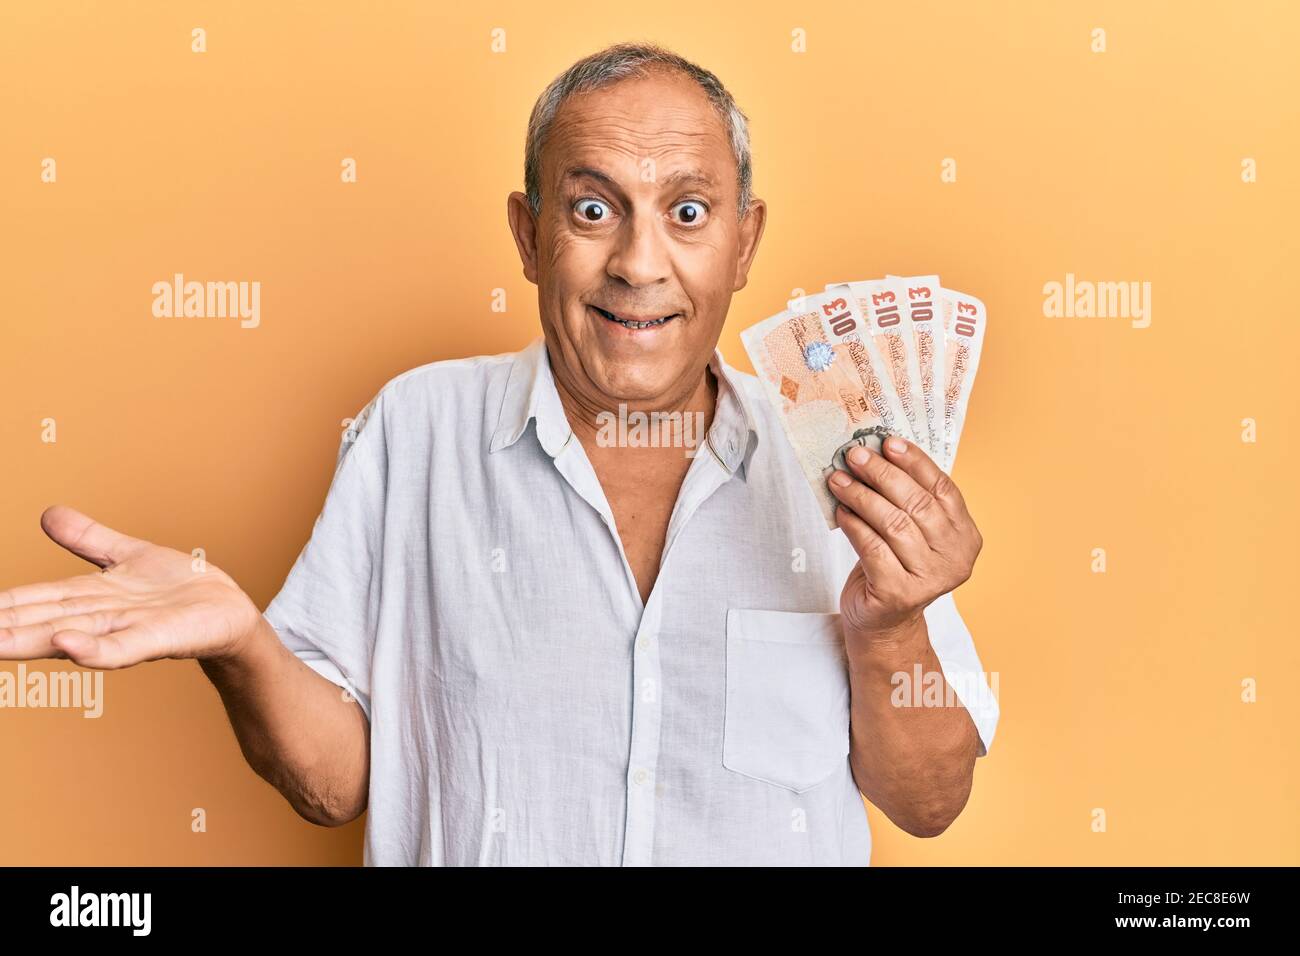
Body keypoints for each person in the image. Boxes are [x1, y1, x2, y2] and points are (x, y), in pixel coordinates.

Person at [0, 41, 998, 866]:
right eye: (592, 208)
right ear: (528, 235)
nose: (639, 262)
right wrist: (241, 645)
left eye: (687, 212)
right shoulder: (415, 429)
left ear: (744, 241)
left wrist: (889, 625)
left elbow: (926, 802)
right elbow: (335, 784)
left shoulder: (851, 466)